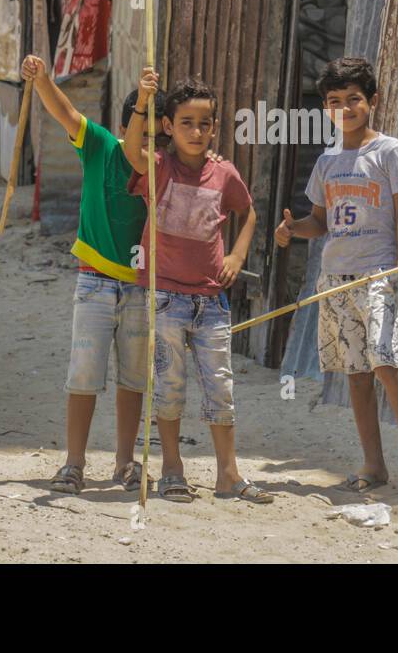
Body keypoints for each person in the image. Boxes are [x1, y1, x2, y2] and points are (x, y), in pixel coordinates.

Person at [274, 56, 398, 500]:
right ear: (325, 107)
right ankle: (373, 464)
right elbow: (319, 224)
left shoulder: (388, 151)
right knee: (356, 372)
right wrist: (293, 229)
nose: (345, 108)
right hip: (336, 278)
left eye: (354, 99)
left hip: (380, 271)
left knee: (383, 358)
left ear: (373, 101)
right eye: (335, 101)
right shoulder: (326, 162)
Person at [123, 68, 272, 504]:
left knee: (220, 387)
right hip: (165, 297)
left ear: (214, 128)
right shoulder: (158, 166)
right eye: (185, 122)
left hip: (211, 301)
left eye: (204, 123)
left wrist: (237, 256)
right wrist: (141, 101)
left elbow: (249, 213)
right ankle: (172, 469)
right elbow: (131, 146)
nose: (196, 131)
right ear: (168, 127)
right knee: (169, 387)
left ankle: (229, 474)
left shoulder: (224, 174)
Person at [20, 53, 156, 494]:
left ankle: (123, 462)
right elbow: (65, 111)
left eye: (158, 134)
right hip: (95, 282)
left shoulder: (162, 170)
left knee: (134, 380)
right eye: (142, 130)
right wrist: (42, 79)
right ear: (124, 128)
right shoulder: (101, 145)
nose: (149, 142)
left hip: (140, 287)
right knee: (83, 376)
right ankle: (74, 463)